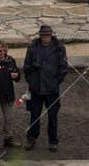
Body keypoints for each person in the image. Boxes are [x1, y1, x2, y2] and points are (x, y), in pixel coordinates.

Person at [22, 23, 70, 151]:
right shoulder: (32, 47)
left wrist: (56, 82)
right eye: (44, 35)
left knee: (52, 116)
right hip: (36, 89)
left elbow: (63, 68)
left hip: (52, 90)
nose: (46, 38)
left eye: (48, 35)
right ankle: (31, 138)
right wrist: (32, 81)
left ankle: (53, 141)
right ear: (40, 36)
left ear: (51, 35)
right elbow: (26, 67)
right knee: (34, 115)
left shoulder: (59, 48)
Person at [0, 41, 21, 154]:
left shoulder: (10, 60)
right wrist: (4, 74)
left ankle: (8, 138)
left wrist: (16, 75)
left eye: (4, 50)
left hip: (8, 94)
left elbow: (17, 75)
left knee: (9, 118)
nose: (2, 52)